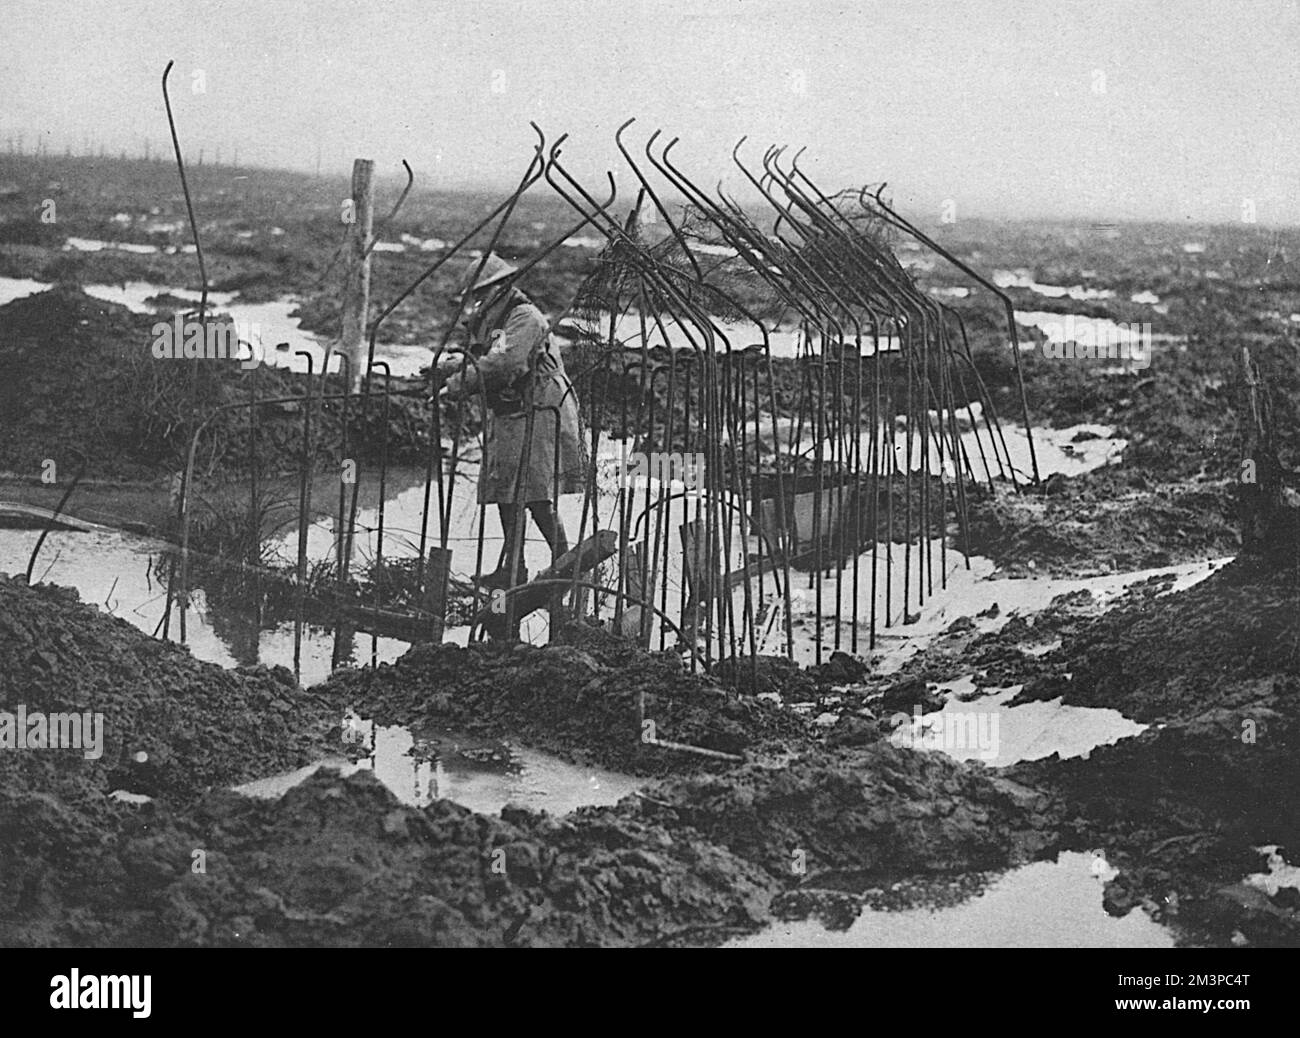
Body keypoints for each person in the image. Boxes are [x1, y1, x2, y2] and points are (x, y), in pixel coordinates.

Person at [437, 253, 586, 590]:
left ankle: (566, 567)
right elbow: (488, 357)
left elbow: (505, 365)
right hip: (513, 409)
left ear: (497, 288)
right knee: (506, 489)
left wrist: (460, 383)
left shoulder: (524, 318)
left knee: (535, 492)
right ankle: (513, 569)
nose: (475, 304)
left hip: (540, 408)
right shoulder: (498, 320)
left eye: (479, 296)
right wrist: (450, 369)